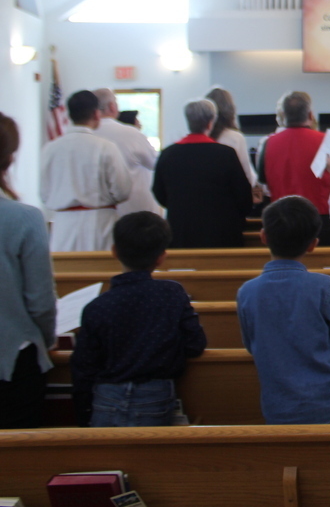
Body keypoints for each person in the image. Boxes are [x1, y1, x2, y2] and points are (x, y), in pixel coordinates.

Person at [70, 211, 208, 427]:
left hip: (106, 395)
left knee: (106, 459)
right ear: (162, 257)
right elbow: (195, 344)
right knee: (149, 457)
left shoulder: (96, 307)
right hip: (156, 393)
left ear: (114, 251)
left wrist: (82, 411)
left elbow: (84, 366)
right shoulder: (171, 294)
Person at [238, 195, 330, 424]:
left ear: (263, 237)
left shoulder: (247, 292)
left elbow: (252, 346)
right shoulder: (324, 286)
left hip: (279, 405)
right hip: (329, 401)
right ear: (313, 244)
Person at [0, 113, 57, 429]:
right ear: (9, 159)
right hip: (13, 358)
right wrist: (47, 339)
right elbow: (40, 300)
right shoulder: (23, 218)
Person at [152, 99, 254, 248]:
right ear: (210, 122)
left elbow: (158, 192)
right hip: (222, 232)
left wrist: (180, 206)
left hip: (182, 229)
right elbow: (243, 196)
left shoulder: (168, 154)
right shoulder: (225, 155)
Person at [40, 90, 132, 252]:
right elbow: (122, 190)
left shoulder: (50, 148)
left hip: (63, 224)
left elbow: (44, 193)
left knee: (66, 274)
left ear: (69, 116)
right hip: (99, 223)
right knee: (101, 273)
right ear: (97, 114)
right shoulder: (105, 147)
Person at [258, 91, 330, 247]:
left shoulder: (269, 144)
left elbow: (263, 182)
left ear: (282, 115)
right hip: (319, 220)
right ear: (310, 114)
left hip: (282, 219)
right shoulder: (325, 142)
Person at [93, 88, 160, 215]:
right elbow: (156, 163)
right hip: (134, 210)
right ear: (112, 107)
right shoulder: (130, 133)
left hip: (99, 213)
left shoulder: (88, 134)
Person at [205, 86, 261, 201]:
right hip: (227, 200)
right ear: (230, 110)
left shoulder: (202, 134)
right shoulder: (235, 137)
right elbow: (247, 176)